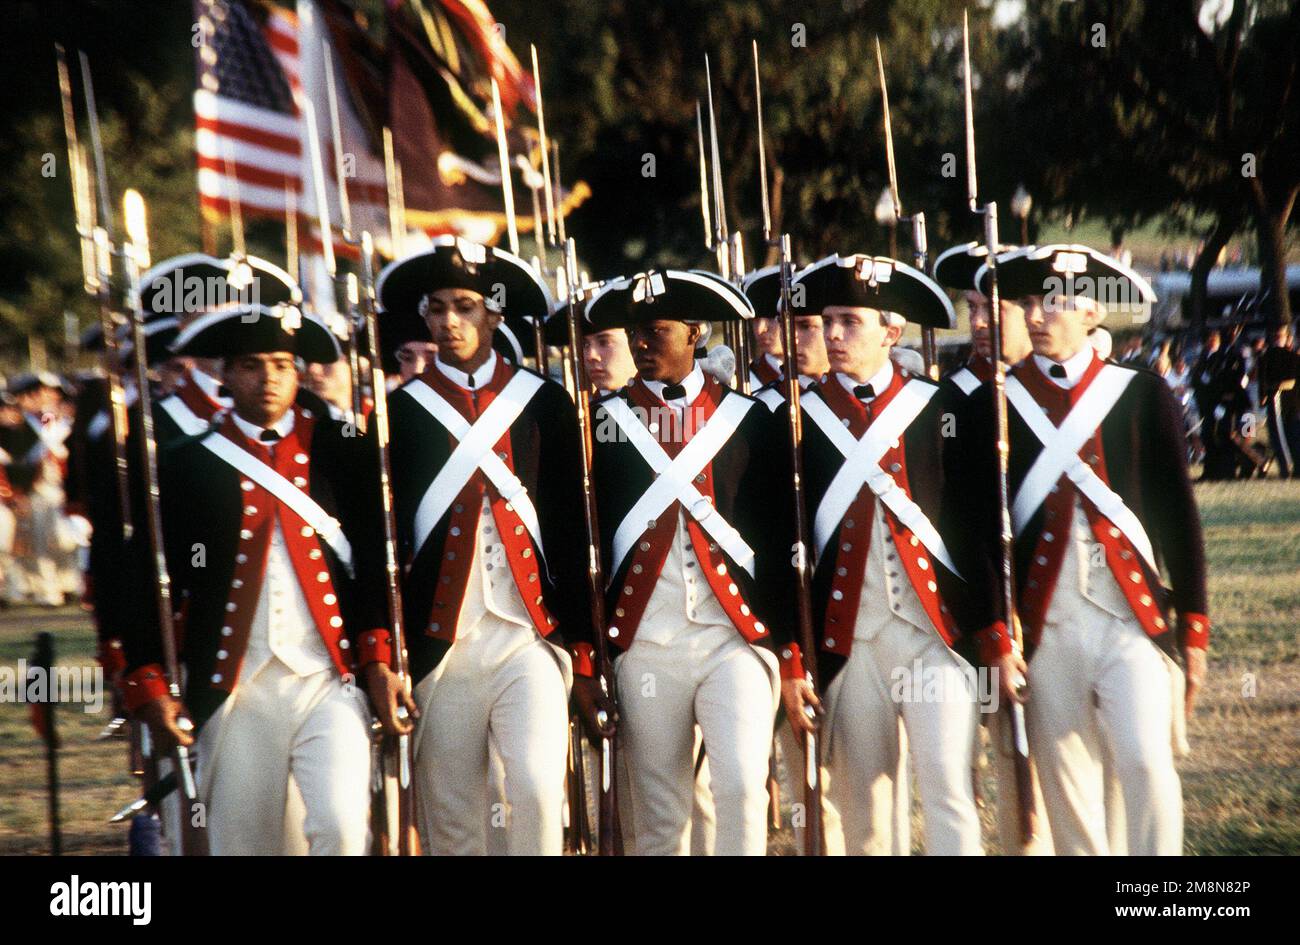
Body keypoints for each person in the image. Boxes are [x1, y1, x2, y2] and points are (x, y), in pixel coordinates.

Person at [960, 244, 1209, 856]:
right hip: (1044, 628)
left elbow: (1178, 513)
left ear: (1093, 313)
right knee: (1068, 791)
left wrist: (1195, 627)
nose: (1037, 317)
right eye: (1026, 304)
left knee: (1146, 763)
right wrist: (996, 631)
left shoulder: (1144, 394)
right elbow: (979, 531)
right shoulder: (990, 404)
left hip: (1132, 620)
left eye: (1054, 303)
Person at [120, 300, 384, 855]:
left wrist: (379, 657)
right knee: (244, 845)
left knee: (340, 826)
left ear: (298, 372)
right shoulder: (186, 462)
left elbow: (377, 565)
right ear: (224, 374)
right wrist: (149, 684)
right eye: (251, 365)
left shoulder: (341, 451)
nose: (268, 379)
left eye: (281, 364)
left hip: (327, 681)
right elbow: (148, 581)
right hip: (235, 689)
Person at [370, 236, 589, 856]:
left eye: (464, 306)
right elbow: (379, 542)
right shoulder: (397, 413)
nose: (448, 322)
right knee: (454, 816)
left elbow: (571, 532)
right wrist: (385, 652)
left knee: (540, 791)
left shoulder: (545, 403)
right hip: (443, 642)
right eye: (436, 307)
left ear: (494, 313)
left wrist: (586, 647)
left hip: (529, 634)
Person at [777, 253, 981, 856]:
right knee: (864, 811)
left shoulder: (940, 408)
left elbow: (972, 530)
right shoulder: (795, 418)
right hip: (851, 641)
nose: (833, 335)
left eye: (851, 322)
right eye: (828, 320)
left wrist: (993, 629)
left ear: (892, 333)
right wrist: (795, 652)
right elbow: (786, 544)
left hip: (932, 635)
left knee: (949, 792)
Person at [583, 268, 788, 855]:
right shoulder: (600, 425)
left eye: (656, 331)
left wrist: (789, 648)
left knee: (743, 789)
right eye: (634, 333)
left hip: (734, 638)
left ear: (695, 332)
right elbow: (587, 541)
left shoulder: (749, 420)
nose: (640, 344)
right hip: (646, 640)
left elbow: (775, 539)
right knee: (659, 814)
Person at [1259, 323, 1300, 477]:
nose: (1278, 338)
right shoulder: (1266, 357)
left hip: (1292, 401)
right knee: (1277, 437)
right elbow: (1263, 380)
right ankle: (1284, 468)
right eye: (1276, 336)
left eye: (1280, 336)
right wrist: (1262, 396)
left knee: (1294, 436)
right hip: (1274, 400)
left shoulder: (1294, 358)